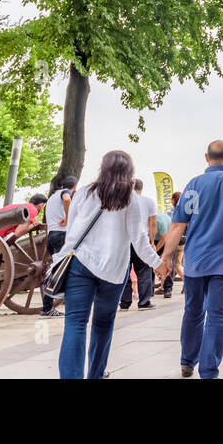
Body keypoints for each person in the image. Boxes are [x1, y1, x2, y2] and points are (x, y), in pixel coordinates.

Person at [154, 140, 223, 379]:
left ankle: (187, 361)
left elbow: (178, 224)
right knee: (218, 315)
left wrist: (167, 256)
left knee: (193, 311)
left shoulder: (194, 185)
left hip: (196, 261)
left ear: (206, 158)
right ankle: (209, 370)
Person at [57, 150, 163, 379]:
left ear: (103, 168)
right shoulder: (130, 198)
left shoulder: (84, 192)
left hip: (80, 264)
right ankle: (95, 375)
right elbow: (139, 238)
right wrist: (158, 263)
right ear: (129, 171)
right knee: (103, 324)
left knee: (75, 323)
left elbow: (72, 231)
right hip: (113, 270)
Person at [119, 179, 159, 311]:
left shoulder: (123, 201)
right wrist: (152, 242)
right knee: (144, 271)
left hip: (125, 240)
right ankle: (144, 302)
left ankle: (124, 303)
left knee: (125, 271)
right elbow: (152, 223)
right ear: (141, 188)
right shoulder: (149, 201)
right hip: (141, 240)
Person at [41, 177, 78, 317]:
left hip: (51, 236)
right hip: (62, 234)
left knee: (56, 269)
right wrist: (69, 218)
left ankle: (48, 306)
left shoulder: (51, 198)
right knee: (62, 270)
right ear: (74, 186)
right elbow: (67, 199)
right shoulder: (66, 192)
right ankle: (48, 307)